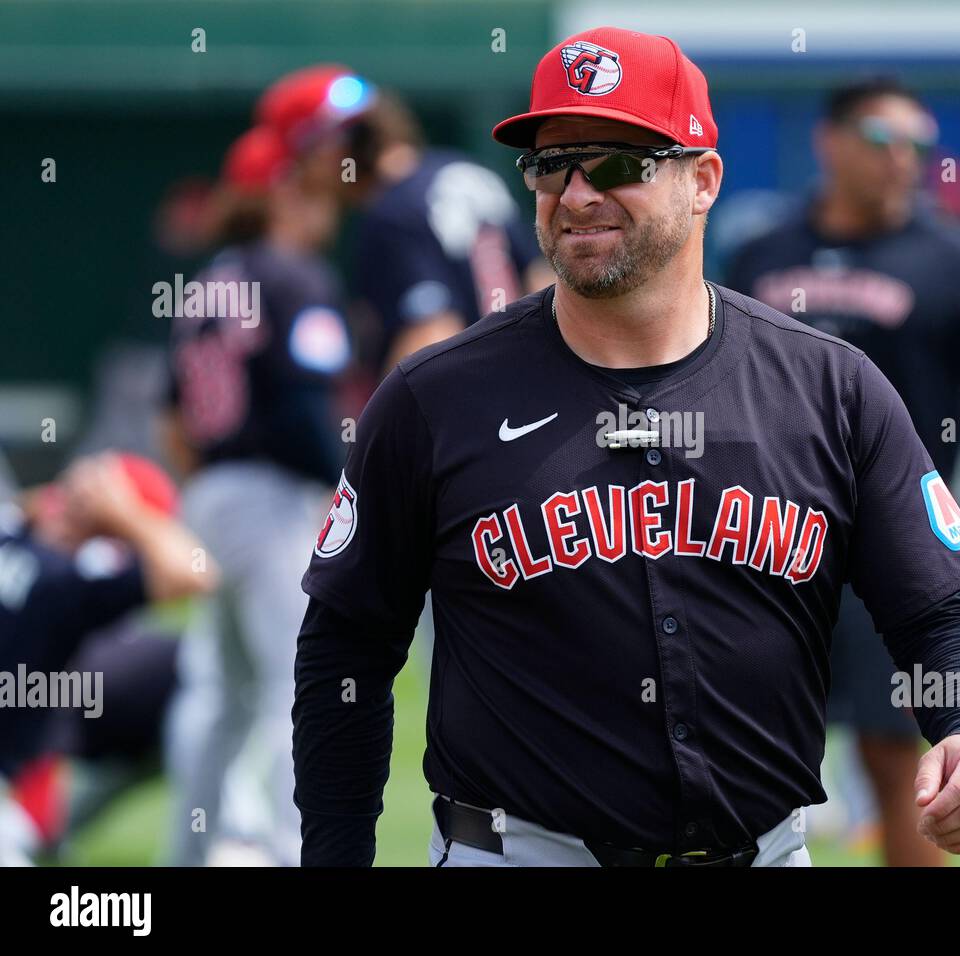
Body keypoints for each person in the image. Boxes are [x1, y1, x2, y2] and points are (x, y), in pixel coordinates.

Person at [292, 26, 960, 868]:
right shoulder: (434, 398)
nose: (575, 192)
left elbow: (945, 612)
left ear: (702, 179)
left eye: (616, 163)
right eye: (550, 164)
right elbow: (345, 644)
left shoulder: (831, 387)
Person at [725, 77, 960, 865]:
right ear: (828, 143)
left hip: (887, 538)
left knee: (901, 754)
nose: (905, 159)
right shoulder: (764, 251)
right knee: (729, 743)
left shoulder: (949, 259)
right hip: (764, 536)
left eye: (919, 143)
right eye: (882, 139)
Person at [160, 125, 350, 866]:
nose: (322, 198)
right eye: (307, 183)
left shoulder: (208, 279)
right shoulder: (293, 275)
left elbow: (171, 413)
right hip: (269, 493)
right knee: (295, 683)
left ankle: (187, 852)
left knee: (226, 694)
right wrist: (345, 485)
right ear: (282, 193)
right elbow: (308, 405)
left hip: (210, 491)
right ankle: (286, 847)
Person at [256, 65, 552, 388]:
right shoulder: (465, 170)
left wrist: (377, 432)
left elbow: (431, 336)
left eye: (302, 160)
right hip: (528, 392)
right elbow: (543, 283)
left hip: (473, 413)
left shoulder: (390, 214)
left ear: (331, 150)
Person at [0, 452, 211, 865]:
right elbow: (193, 570)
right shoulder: (44, 558)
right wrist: (114, 507)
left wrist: (113, 509)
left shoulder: (53, 567)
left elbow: (192, 572)